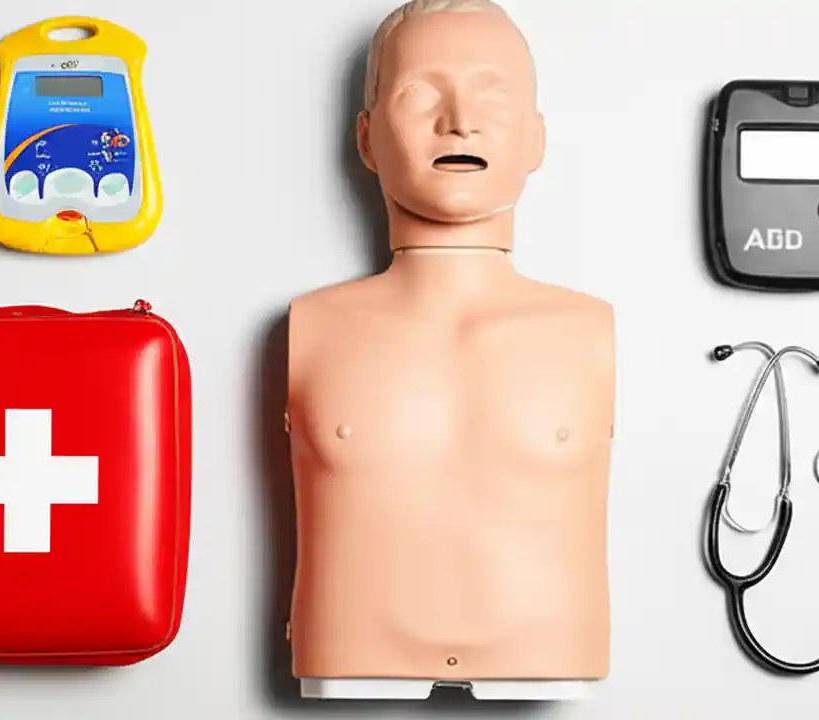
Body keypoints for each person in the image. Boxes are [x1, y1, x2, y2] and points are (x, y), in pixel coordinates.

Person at [285, 0, 615, 700]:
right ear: (368, 139)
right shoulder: (311, 324)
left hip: (549, 648)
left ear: (535, 139)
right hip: (349, 653)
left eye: (492, 95)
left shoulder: (588, 328)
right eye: (420, 94)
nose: (459, 121)